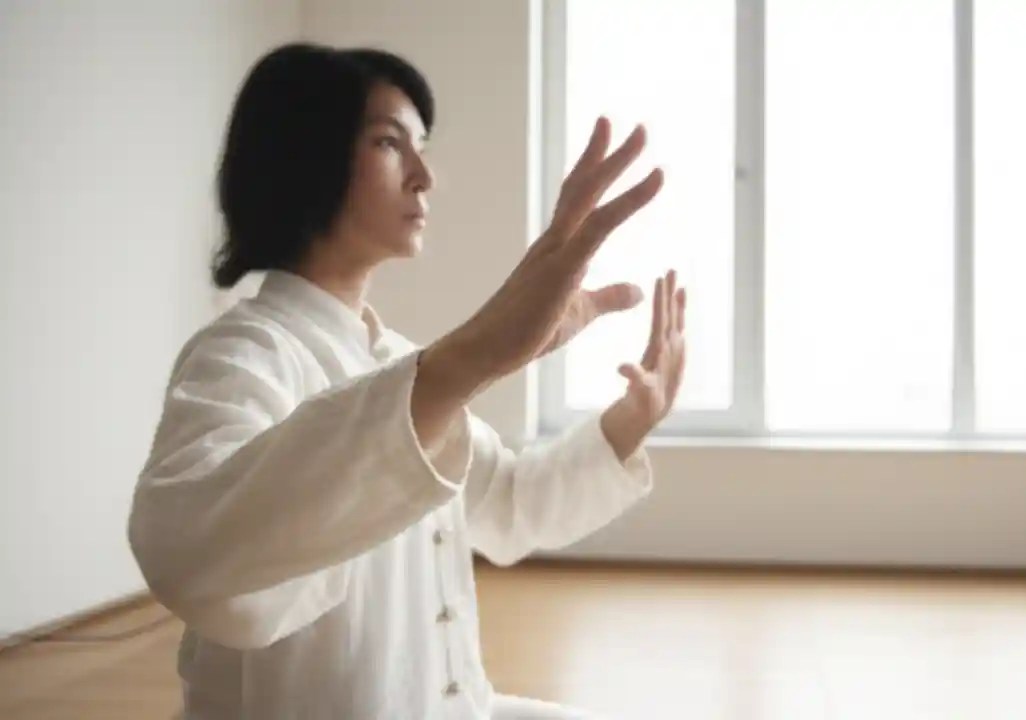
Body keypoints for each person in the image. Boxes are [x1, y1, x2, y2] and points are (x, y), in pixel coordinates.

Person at [127, 42, 686, 720]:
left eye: (421, 147)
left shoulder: (396, 361)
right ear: (307, 155)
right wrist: (475, 354)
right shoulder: (243, 353)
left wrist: (630, 420)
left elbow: (507, 501)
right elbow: (187, 549)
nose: (425, 176)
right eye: (392, 144)